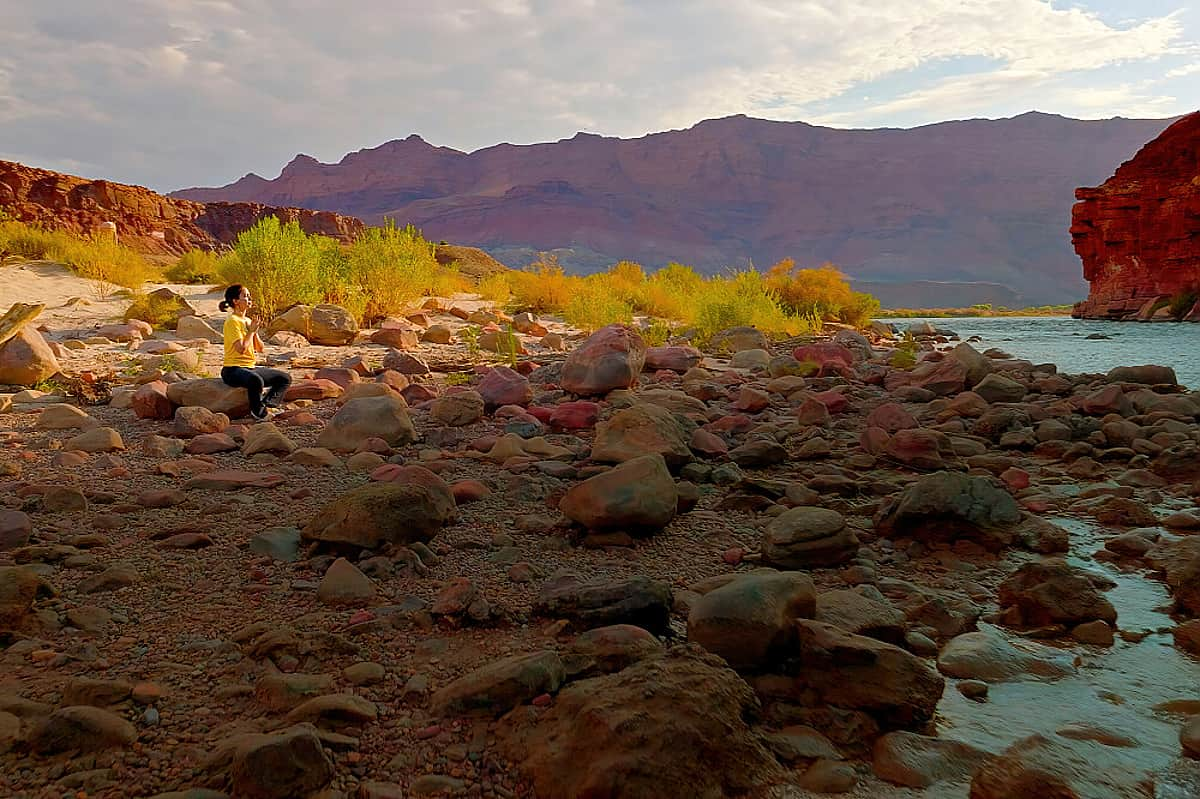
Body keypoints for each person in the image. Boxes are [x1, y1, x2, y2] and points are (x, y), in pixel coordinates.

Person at [219, 284, 291, 421]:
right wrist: (250, 331)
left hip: (250, 367)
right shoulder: (232, 321)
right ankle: (257, 412)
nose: (249, 299)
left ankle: (266, 404)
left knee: (284, 378)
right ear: (235, 301)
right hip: (232, 370)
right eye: (245, 296)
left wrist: (254, 331)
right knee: (255, 380)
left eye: (249, 296)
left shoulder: (247, 320)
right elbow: (240, 349)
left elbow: (260, 348)